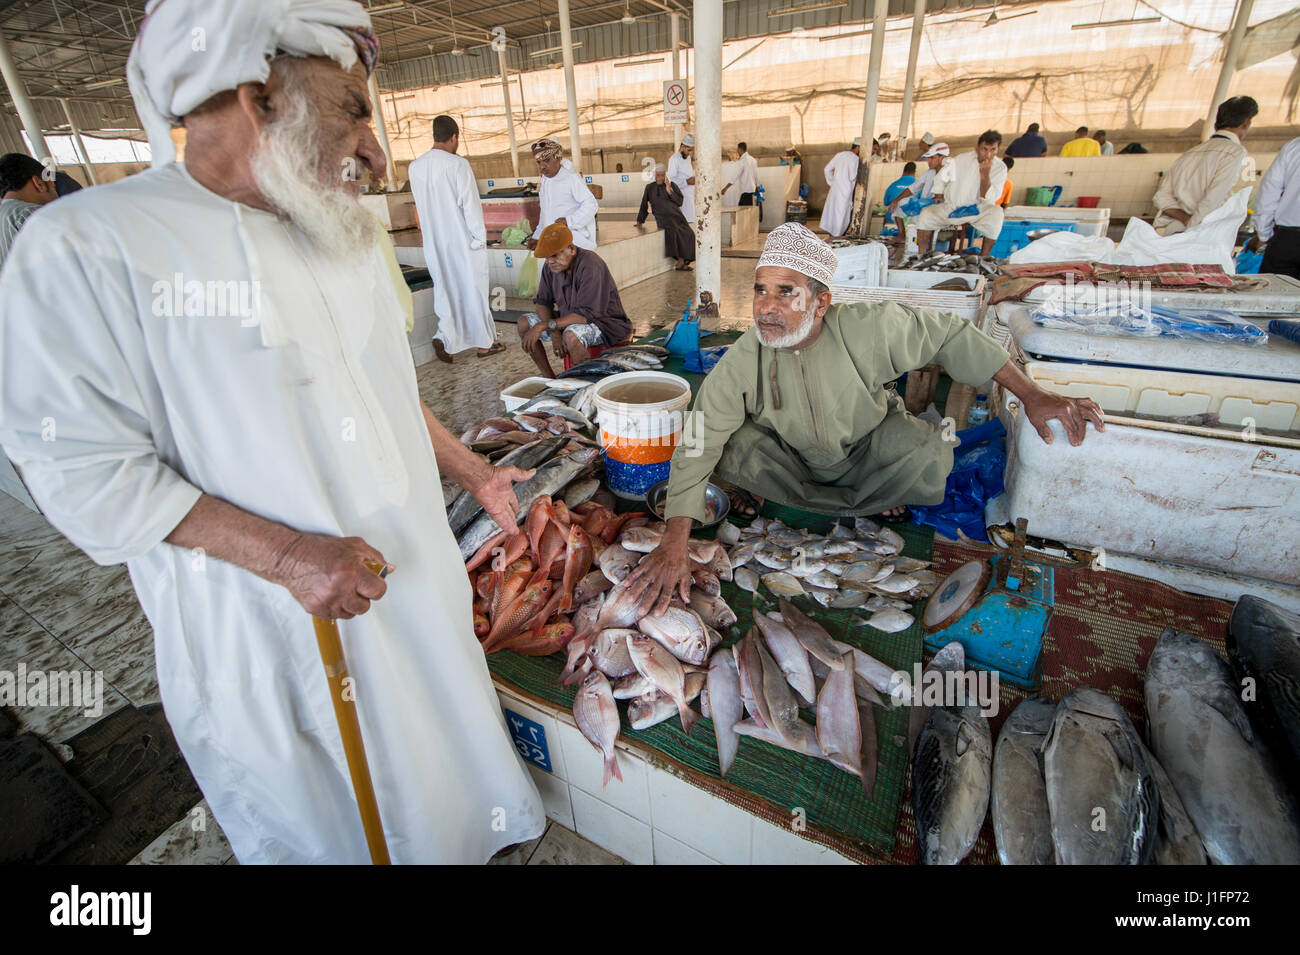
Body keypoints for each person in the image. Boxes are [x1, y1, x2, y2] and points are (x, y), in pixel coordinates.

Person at [0, 1, 546, 864]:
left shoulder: (339, 230)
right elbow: (82, 472)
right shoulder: (86, 247)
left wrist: (473, 472)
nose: (375, 152)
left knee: (451, 785)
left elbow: (387, 390)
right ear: (259, 96)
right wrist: (288, 555)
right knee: (335, 823)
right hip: (277, 627)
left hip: (411, 585)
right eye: (354, 110)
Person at [621, 224, 1104, 612]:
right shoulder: (746, 356)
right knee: (724, 442)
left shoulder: (870, 327)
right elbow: (699, 438)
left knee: (927, 450)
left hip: (863, 451)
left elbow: (951, 336)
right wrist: (674, 541)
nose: (766, 307)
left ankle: (871, 497)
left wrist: (1034, 395)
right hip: (788, 462)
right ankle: (830, 500)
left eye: (785, 292)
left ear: (821, 301)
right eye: (760, 290)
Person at [408, 115, 502, 362]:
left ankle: (445, 338)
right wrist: (479, 240)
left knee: (445, 291)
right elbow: (470, 206)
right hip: (462, 242)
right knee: (474, 290)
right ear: (454, 137)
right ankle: (484, 345)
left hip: (434, 244)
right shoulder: (458, 165)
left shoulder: (415, 166)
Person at [517, 222, 631, 378]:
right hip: (566, 321)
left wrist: (544, 326)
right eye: (547, 257)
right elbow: (543, 302)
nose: (550, 261)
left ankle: (588, 384)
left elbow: (585, 315)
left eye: (555, 255)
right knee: (524, 323)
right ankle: (550, 379)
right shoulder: (551, 266)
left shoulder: (590, 264)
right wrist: (554, 331)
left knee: (571, 335)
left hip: (605, 324)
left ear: (571, 249)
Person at [1152, 96, 1258, 236]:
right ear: (1246, 123)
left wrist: (1185, 219)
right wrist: (1192, 229)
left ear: (1216, 125)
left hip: (1175, 229)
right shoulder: (1235, 152)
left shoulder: (1189, 154)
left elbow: (1161, 197)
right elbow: (1213, 199)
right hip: (1202, 233)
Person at [904, 133, 1008, 256]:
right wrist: (939, 193)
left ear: (998, 150)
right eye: (984, 149)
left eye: (993, 150)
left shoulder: (1000, 168)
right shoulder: (961, 160)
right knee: (926, 214)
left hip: (979, 210)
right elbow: (942, 176)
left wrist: (984, 174)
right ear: (977, 148)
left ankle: (984, 257)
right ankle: (921, 254)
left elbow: (989, 198)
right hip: (952, 207)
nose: (988, 154)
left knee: (997, 214)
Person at [526, 138, 597, 252]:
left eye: (547, 161)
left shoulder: (571, 178)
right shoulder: (545, 181)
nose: (542, 166)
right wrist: (537, 236)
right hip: (554, 243)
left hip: (575, 243)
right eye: (539, 162)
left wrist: (569, 221)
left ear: (558, 159)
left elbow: (591, 204)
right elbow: (545, 214)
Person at [1248, 135, 1300, 279]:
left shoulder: (1293, 147)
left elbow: (1269, 191)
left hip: (1288, 240)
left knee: (1275, 297)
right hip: (1287, 238)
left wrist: (1264, 235)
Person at [0, 153, 59, 267]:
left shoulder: (4, 214)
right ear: (39, 183)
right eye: (53, 186)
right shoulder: (32, 214)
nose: (56, 193)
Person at [637, 163, 695, 271]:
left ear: (665, 175)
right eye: (658, 175)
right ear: (654, 175)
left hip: (677, 216)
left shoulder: (672, 185)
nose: (660, 178)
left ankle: (686, 261)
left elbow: (680, 202)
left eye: (662, 175)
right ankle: (681, 260)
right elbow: (644, 204)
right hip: (662, 217)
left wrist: (669, 191)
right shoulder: (649, 187)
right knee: (675, 231)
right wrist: (640, 220)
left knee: (690, 234)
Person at [821, 137, 860, 237]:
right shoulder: (855, 159)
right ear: (859, 148)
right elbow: (852, 176)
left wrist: (832, 183)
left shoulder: (840, 155)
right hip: (845, 192)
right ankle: (836, 239)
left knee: (832, 215)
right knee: (841, 217)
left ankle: (831, 238)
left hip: (835, 190)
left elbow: (827, 169)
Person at [722, 140, 760, 220]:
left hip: (745, 190)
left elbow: (734, 177)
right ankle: (748, 229)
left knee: (741, 212)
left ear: (740, 149)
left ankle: (744, 230)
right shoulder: (753, 160)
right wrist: (757, 185)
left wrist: (725, 188)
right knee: (748, 211)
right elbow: (756, 175)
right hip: (752, 189)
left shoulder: (742, 161)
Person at [667, 133, 697, 224]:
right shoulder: (674, 159)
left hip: (690, 197)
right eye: (689, 150)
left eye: (691, 151)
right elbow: (671, 182)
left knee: (691, 223)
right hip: (681, 198)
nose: (690, 153)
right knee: (684, 224)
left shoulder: (687, 158)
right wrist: (687, 181)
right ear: (683, 146)